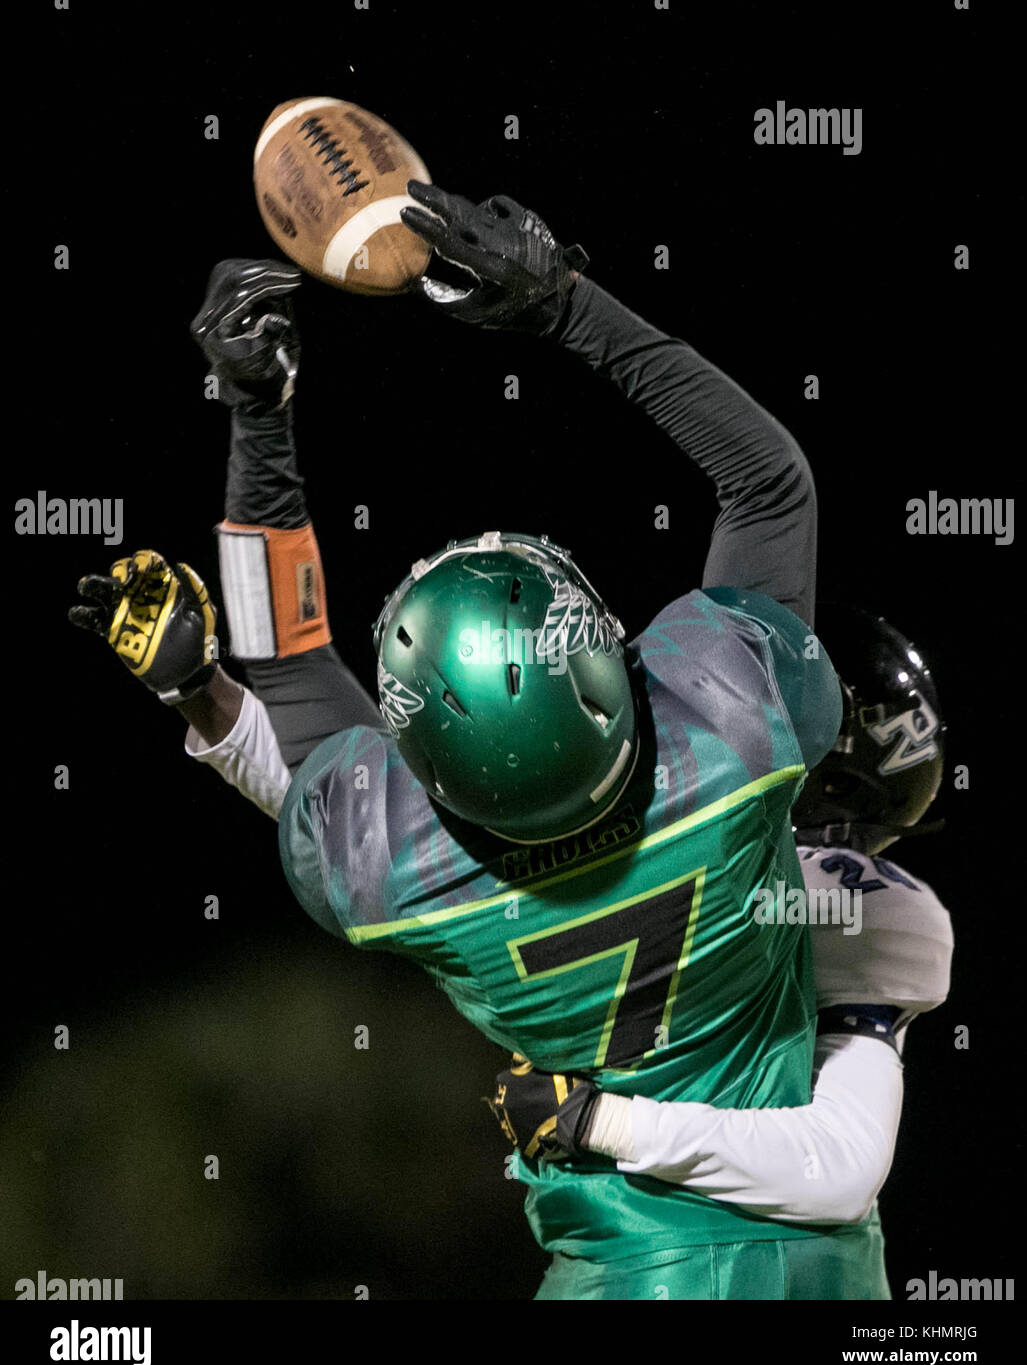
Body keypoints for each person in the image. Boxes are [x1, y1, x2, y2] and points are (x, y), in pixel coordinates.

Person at [70, 184, 885, 1299]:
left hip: (605, 1269)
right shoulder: (732, 730)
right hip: (814, 1265)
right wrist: (562, 306)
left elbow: (296, 670)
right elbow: (766, 482)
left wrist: (256, 412)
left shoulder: (399, 873)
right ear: (600, 660)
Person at [489, 608, 953, 1269]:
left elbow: (839, 1167)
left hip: (761, 1271)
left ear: (817, 767)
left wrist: (602, 1123)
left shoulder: (845, 906)